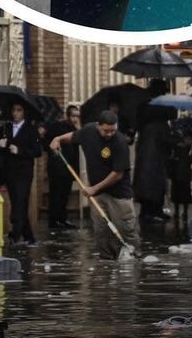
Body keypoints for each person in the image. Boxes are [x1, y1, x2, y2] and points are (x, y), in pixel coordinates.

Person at [50, 109, 141, 258]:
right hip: (98, 194)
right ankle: (107, 259)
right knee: (101, 230)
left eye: (113, 130)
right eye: (106, 131)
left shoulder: (119, 142)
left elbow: (117, 174)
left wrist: (94, 188)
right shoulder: (88, 131)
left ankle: (134, 256)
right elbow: (73, 136)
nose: (110, 134)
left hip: (119, 194)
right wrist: (58, 139)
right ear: (98, 126)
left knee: (125, 228)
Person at [0, 102, 42, 245]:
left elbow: (37, 151)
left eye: (19, 110)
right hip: (10, 171)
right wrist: (1, 145)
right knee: (17, 201)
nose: (16, 113)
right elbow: (1, 152)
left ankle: (15, 234)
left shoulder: (31, 129)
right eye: (14, 110)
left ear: (24, 112)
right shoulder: (7, 128)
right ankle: (29, 236)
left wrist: (20, 151)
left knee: (20, 201)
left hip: (24, 172)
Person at [134, 80, 175, 222]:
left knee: (148, 181)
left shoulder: (143, 106)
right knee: (154, 181)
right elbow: (172, 115)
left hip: (148, 149)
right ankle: (152, 211)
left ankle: (150, 211)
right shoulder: (159, 110)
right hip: (155, 151)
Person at [45, 103, 81, 230]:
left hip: (69, 167)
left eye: (77, 116)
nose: (75, 118)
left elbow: (78, 144)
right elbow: (47, 142)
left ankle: (62, 219)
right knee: (56, 194)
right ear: (67, 115)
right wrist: (53, 150)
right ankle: (54, 221)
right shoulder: (57, 127)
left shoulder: (76, 130)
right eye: (73, 116)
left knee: (65, 194)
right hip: (57, 167)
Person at [167, 121, 192, 235]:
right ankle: (176, 211)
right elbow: (172, 158)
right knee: (176, 194)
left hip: (185, 175)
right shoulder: (177, 146)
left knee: (185, 195)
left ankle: (184, 211)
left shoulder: (191, 149)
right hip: (177, 174)